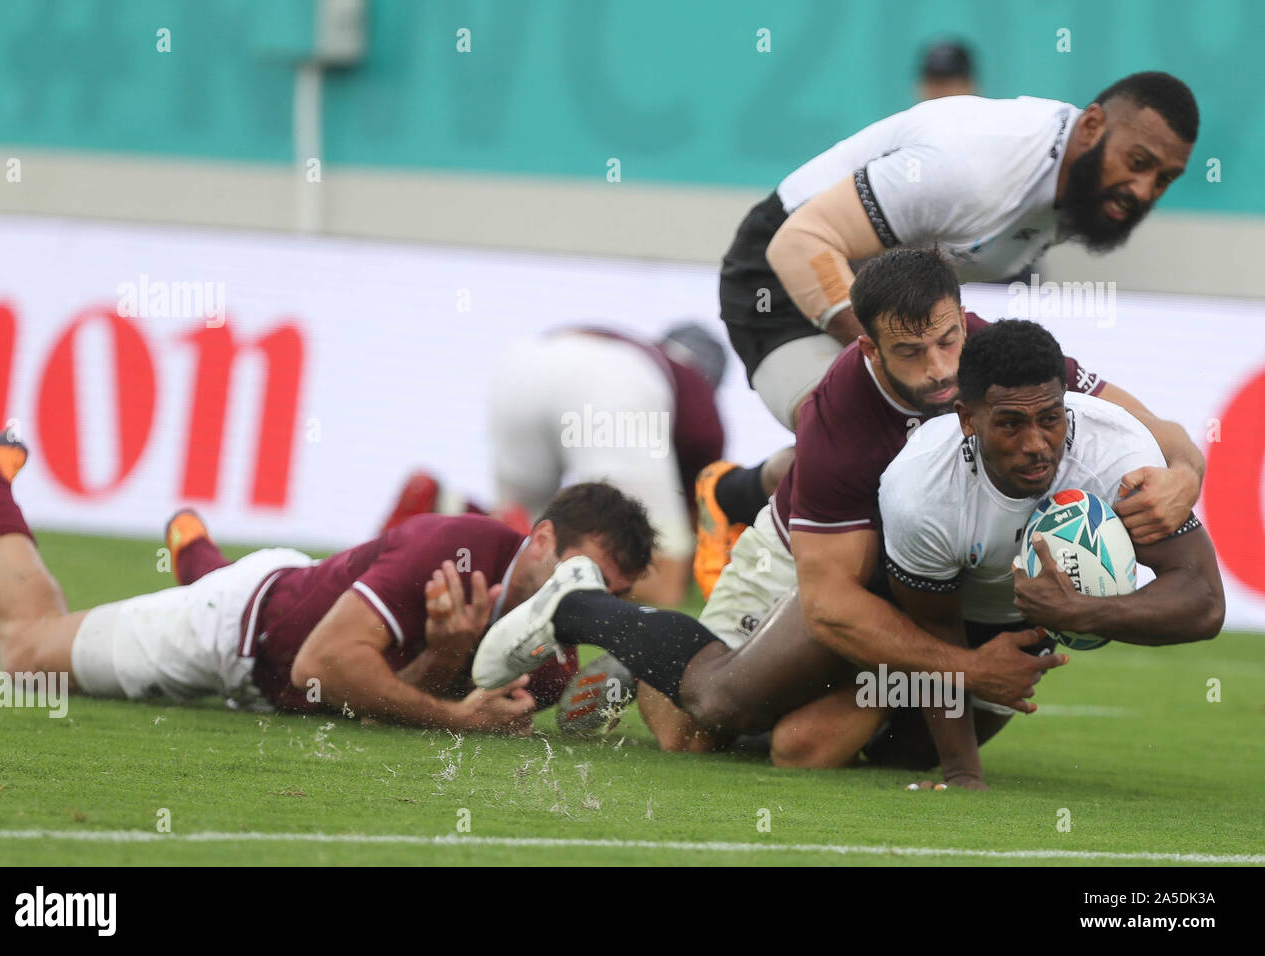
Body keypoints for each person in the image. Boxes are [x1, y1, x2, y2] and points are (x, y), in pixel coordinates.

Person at [477, 249, 1205, 769]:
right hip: (813, 563)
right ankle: (620, 635)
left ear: (963, 318)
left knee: (828, 749)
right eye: (912, 352)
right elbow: (831, 605)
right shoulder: (838, 417)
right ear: (869, 345)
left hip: (927, 572)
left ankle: (773, 632)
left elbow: (1138, 424)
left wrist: (1183, 472)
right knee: (708, 723)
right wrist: (963, 668)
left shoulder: (998, 360)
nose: (942, 370)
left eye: (948, 339)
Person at [697, 70, 1200, 594]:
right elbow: (798, 244)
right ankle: (759, 603)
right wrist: (903, 360)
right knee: (900, 457)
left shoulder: (1082, 188)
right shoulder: (975, 167)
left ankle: (731, 495)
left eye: (1164, 179)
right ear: (1092, 126)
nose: (1144, 189)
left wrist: (1186, 469)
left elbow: (1103, 404)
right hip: (781, 279)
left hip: (901, 302)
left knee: (959, 422)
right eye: (1138, 163)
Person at [0, 434, 653, 732]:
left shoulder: (555, 663)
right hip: (233, 630)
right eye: (581, 574)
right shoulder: (455, 549)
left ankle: (196, 552)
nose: (590, 601)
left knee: (264, 588)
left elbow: (376, 709)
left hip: (293, 624)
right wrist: (456, 715)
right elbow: (321, 665)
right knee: (29, 653)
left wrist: (446, 661)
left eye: (609, 594)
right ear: (538, 542)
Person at [856, 317, 1225, 788]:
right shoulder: (922, 488)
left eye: (1050, 419)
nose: (1035, 445)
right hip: (901, 602)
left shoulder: (1115, 455)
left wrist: (1083, 611)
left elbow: (1205, 601)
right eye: (1010, 423)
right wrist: (963, 773)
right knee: (805, 740)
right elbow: (935, 625)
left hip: (1022, 622)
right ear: (968, 419)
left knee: (900, 757)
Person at [384, 322, 726, 608]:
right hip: (611, 382)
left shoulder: (636, 346)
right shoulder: (696, 391)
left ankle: (446, 506)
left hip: (525, 363)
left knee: (517, 537)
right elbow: (701, 506)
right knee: (661, 585)